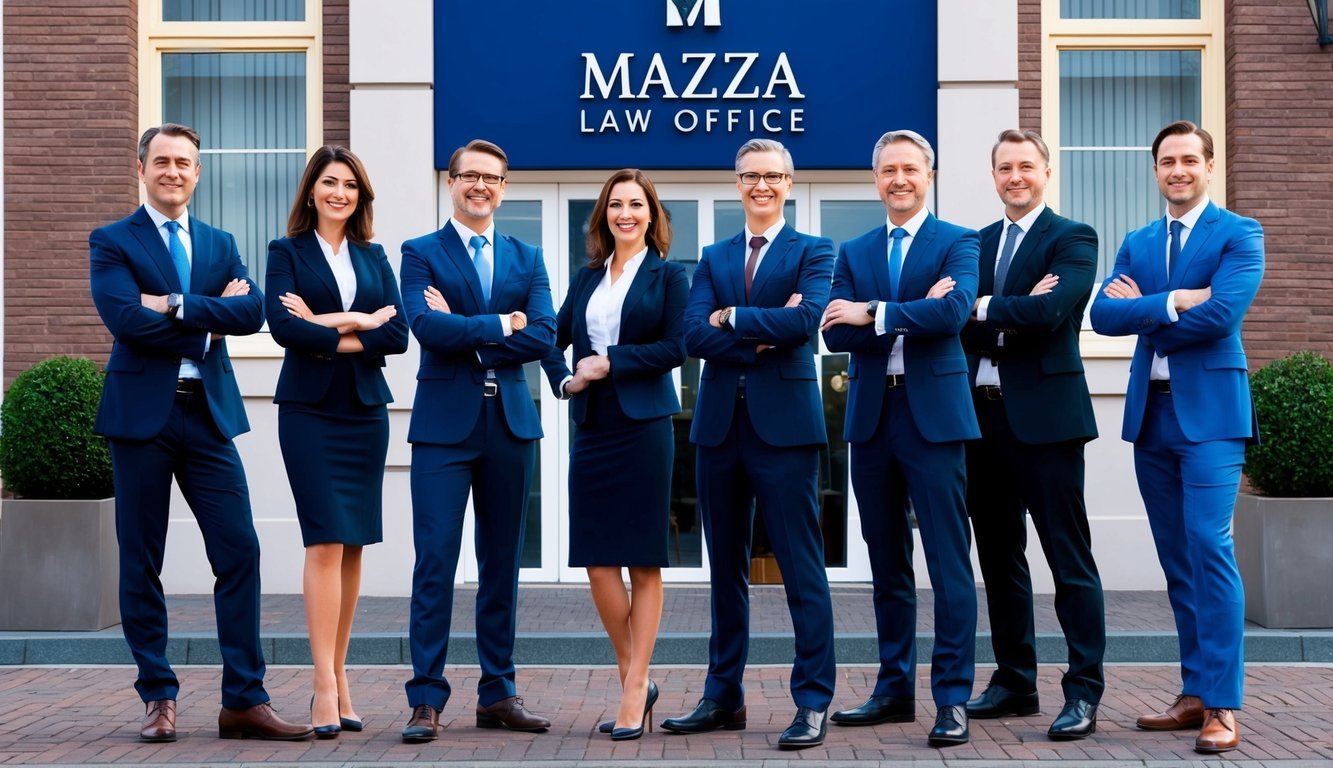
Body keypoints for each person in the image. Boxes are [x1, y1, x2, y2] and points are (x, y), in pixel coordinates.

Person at [89, 123, 313, 742]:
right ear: (142, 169)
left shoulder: (219, 242)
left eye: (184, 163)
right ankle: (158, 697)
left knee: (239, 551)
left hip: (207, 415)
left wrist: (176, 304)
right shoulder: (112, 241)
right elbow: (125, 320)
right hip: (141, 420)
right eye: (162, 161)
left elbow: (254, 310)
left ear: (198, 172)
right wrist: (209, 319)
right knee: (141, 560)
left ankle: (243, 699)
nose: (173, 172)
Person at [1090, 120, 1263, 754]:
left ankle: (1222, 703)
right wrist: (1172, 302)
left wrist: (1149, 310)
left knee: (1209, 549)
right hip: (1153, 419)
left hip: (1213, 417)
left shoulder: (1239, 233)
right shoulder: (1137, 242)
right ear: (1155, 169)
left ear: (1209, 167)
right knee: (1177, 561)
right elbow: (1103, 315)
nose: (1178, 170)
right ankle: (1193, 693)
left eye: (1190, 159)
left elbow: (1224, 314)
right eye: (1167, 161)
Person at [661, 139, 836, 750]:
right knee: (724, 570)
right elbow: (689, 335)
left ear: (789, 181)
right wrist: (760, 330)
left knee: (800, 569)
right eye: (749, 176)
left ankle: (812, 700)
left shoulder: (815, 250)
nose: (760, 185)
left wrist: (731, 319)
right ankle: (722, 695)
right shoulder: (712, 255)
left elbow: (805, 321)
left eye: (772, 176)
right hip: (717, 431)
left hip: (785, 431)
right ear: (736, 183)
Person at [820, 129, 980, 747]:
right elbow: (836, 333)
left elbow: (955, 312)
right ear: (875, 178)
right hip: (872, 419)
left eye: (910, 169)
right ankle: (893, 690)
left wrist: (877, 312)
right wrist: (911, 308)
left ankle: (952, 699)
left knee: (947, 563)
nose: (899, 179)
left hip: (935, 420)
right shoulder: (854, 250)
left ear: (929, 175)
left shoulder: (958, 241)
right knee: (887, 563)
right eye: (888, 170)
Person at [397, 139, 557, 742]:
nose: (480, 186)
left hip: (510, 425)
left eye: (491, 178)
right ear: (452, 182)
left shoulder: (529, 256)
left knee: (501, 565)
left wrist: (474, 332)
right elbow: (425, 328)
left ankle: (498, 693)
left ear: (504, 187)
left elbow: (541, 335)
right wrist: (499, 323)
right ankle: (426, 698)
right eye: (469, 176)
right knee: (435, 560)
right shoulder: (421, 253)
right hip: (443, 428)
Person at [960, 129, 1105, 740]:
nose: (1014, 176)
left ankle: (1084, 691)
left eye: (1025, 166)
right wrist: (1005, 304)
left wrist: (983, 306)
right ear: (993, 176)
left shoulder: (1073, 237)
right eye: (1003, 168)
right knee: (998, 558)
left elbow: (1052, 312)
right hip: (980, 419)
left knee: (1066, 557)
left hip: (1046, 422)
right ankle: (1016, 680)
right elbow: (952, 320)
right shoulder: (976, 242)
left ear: (1046, 171)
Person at [265, 146, 409, 738]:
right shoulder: (286, 252)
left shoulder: (374, 256)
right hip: (309, 410)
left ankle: (341, 674)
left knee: (352, 546)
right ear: (311, 190)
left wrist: (326, 323)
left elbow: (398, 334)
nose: (340, 193)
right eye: (329, 182)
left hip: (364, 412)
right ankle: (322, 684)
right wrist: (358, 321)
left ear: (361, 195)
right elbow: (282, 327)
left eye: (350, 185)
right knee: (324, 540)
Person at [540, 169, 688, 741]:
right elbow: (550, 340)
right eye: (616, 204)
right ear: (603, 215)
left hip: (646, 426)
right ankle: (636, 675)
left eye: (636, 204)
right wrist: (564, 383)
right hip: (594, 427)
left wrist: (610, 362)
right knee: (600, 562)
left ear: (651, 214)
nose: (625, 213)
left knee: (643, 561)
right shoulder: (586, 278)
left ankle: (633, 686)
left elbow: (678, 345)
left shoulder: (669, 276)